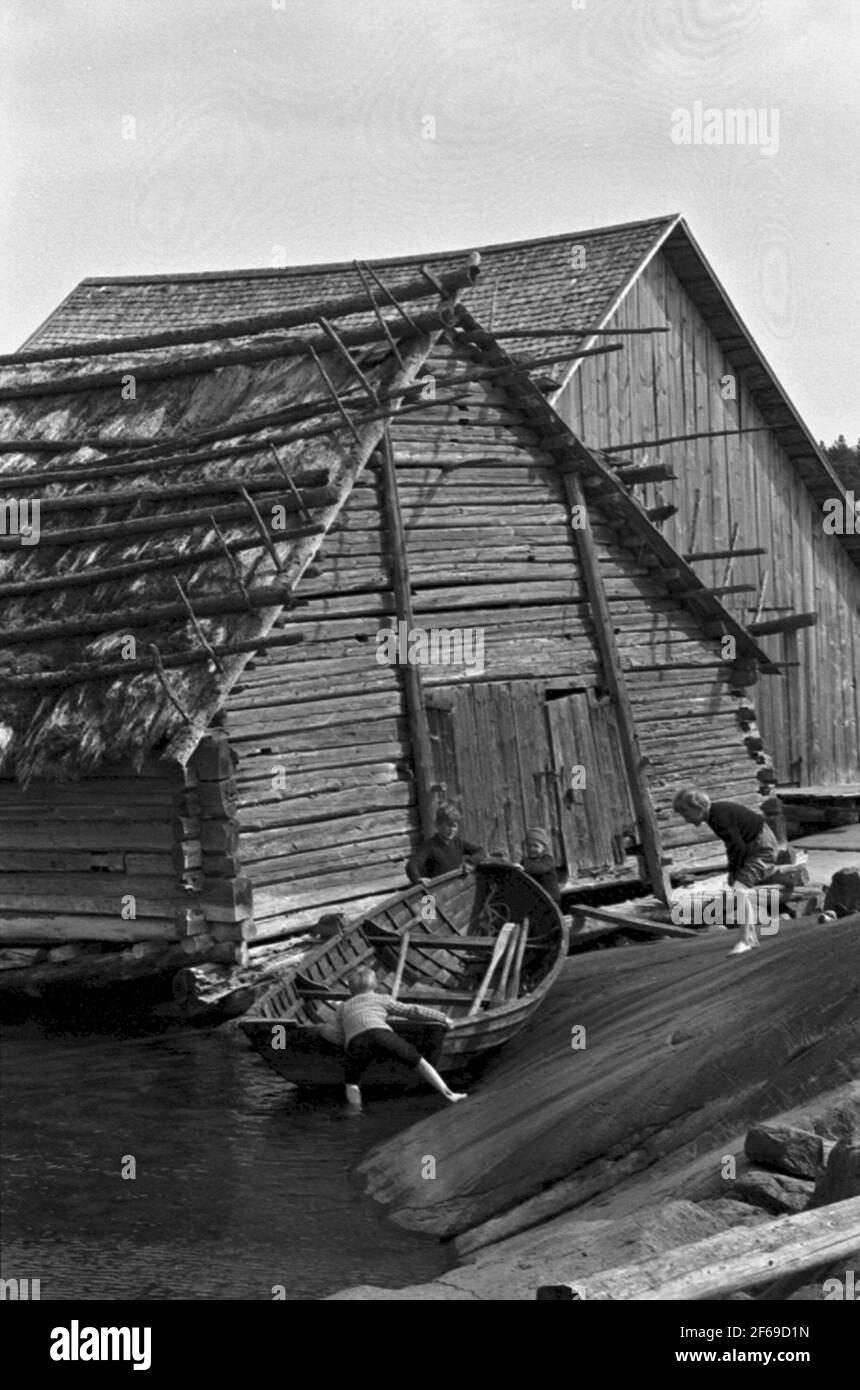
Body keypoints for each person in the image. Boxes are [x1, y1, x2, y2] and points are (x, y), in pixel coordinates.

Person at [323, 965, 467, 1110]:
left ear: (350, 989)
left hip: (356, 1042)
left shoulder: (342, 1008)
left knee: (352, 1082)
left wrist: (321, 1030)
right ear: (375, 985)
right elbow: (411, 1011)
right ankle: (449, 1094)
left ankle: (355, 1111)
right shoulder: (382, 999)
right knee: (419, 1061)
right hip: (381, 1034)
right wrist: (442, 1017)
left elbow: (339, 1037)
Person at [672, 788, 778, 956]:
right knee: (739, 889)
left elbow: (737, 847)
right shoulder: (715, 815)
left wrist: (735, 873)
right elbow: (733, 847)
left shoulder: (719, 816)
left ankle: (746, 940)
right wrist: (733, 872)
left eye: (686, 813)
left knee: (739, 889)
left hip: (762, 848)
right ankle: (750, 937)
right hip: (755, 845)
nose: (686, 819)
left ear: (698, 807)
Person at [405, 802, 485, 885]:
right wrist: (418, 879)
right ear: (437, 825)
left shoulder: (458, 843)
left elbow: (480, 851)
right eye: (448, 825)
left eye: (454, 826)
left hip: (456, 888)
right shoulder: (430, 846)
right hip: (438, 891)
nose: (451, 830)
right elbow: (412, 864)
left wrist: (471, 863)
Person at [518, 827, 561, 905]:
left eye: (536, 846)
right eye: (529, 846)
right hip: (536, 898)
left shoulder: (547, 859)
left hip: (550, 900)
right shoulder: (525, 861)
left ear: (544, 847)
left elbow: (540, 868)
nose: (531, 849)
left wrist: (523, 868)